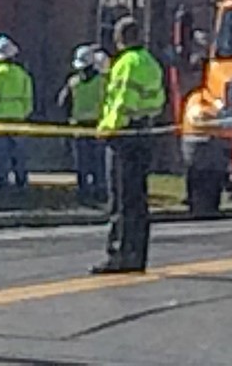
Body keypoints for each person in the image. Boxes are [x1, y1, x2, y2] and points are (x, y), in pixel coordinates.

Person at [92, 17, 165, 274]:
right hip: (144, 133)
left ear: (119, 38)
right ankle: (137, 254)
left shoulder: (126, 64)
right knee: (138, 199)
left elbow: (123, 102)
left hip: (124, 137)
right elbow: (158, 101)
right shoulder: (150, 62)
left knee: (121, 198)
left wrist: (107, 129)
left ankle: (119, 254)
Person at [0, 35, 33, 192]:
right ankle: (21, 181)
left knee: (1, 154)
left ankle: (3, 183)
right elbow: (28, 97)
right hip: (18, 118)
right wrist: (23, 112)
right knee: (19, 153)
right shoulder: (22, 74)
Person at [56, 45, 108, 206]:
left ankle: (84, 193)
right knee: (98, 162)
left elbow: (62, 104)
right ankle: (100, 191)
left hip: (79, 127)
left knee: (82, 163)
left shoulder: (73, 82)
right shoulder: (103, 82)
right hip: (97, 126)